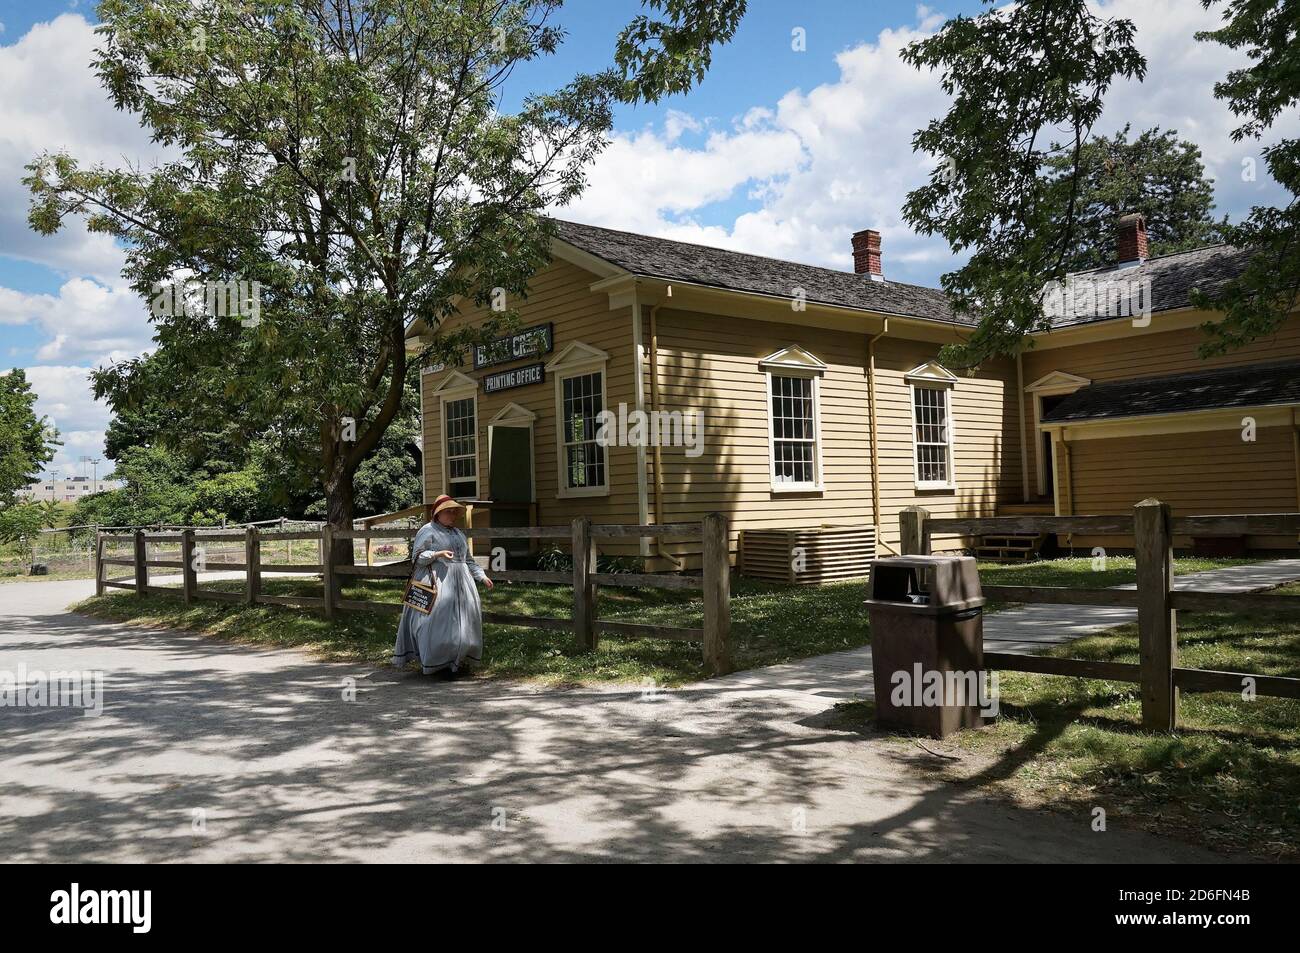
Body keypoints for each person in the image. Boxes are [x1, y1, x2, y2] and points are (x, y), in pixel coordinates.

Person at [392, 494, 493, 674]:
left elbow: (468, 560)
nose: (452, 515)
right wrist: (437, 554)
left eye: (454, 512)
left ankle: (458, 659)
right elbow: (418, 558)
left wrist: (481, 576)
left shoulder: (458, 534)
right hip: (438, 581)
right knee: (435, 623)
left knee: (463, 621)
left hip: (462, 584)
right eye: (448, 512)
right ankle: (436, 661)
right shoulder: (428, 530)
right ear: (438, 513)